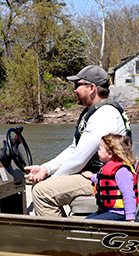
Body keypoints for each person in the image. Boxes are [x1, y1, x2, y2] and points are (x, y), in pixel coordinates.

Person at [25, 65, 130, 217]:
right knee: (46, 186)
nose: (74, 90)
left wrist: (52, 180)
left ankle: (62, 233)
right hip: (98, 175)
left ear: (92, 88)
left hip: (107, 180)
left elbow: (78, 159)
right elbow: (74, 149)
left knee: (42, 191)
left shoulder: (104, 115)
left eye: (77, 85)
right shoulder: (96, 112)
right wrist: (46, 168)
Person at [83, 134, 138, 222]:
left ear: (109, 154)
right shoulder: (109, 168)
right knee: (85, 221)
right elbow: (105, 180)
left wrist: (130, 218)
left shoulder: (122, 171)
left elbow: (128, 195)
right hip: (108, 211)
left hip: (119, 214)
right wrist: (91, 176)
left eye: (100, 149)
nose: (98, 152)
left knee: (86, 224)